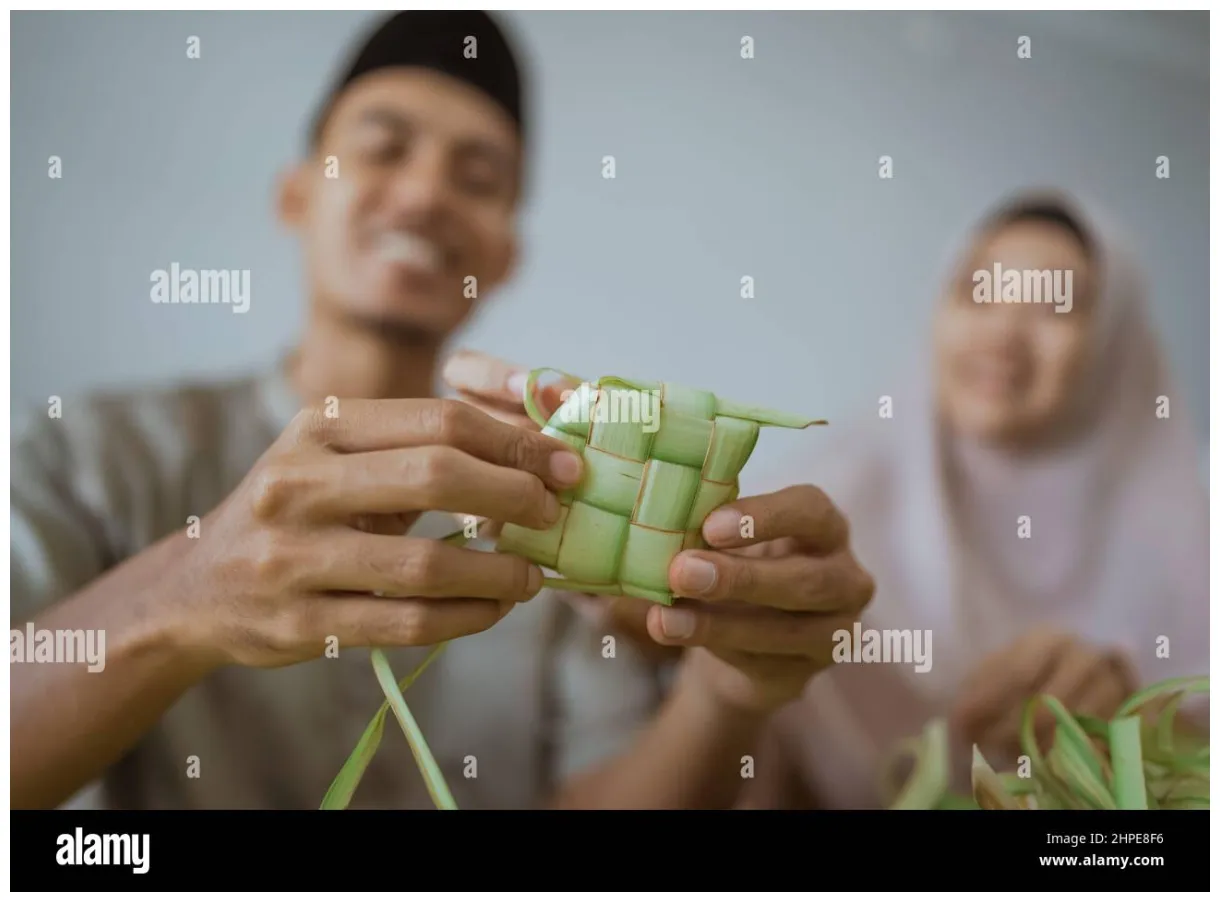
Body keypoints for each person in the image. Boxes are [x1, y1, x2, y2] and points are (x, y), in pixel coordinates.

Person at [11, 10, 874, 810]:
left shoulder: (557, 502)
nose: (424, 195)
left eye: (478, 177)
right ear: (296, 196)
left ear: (504, 253)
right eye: (384, 150)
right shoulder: (87, 451)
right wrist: (178, 602)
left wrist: (729, 691)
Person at [734, 190, 1209, 808]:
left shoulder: (1191, 550)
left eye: (1055, 307)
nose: (1002, 335)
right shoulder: (817, 511)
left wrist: (1135, 728)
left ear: (1113, 346)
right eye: (978, 291)